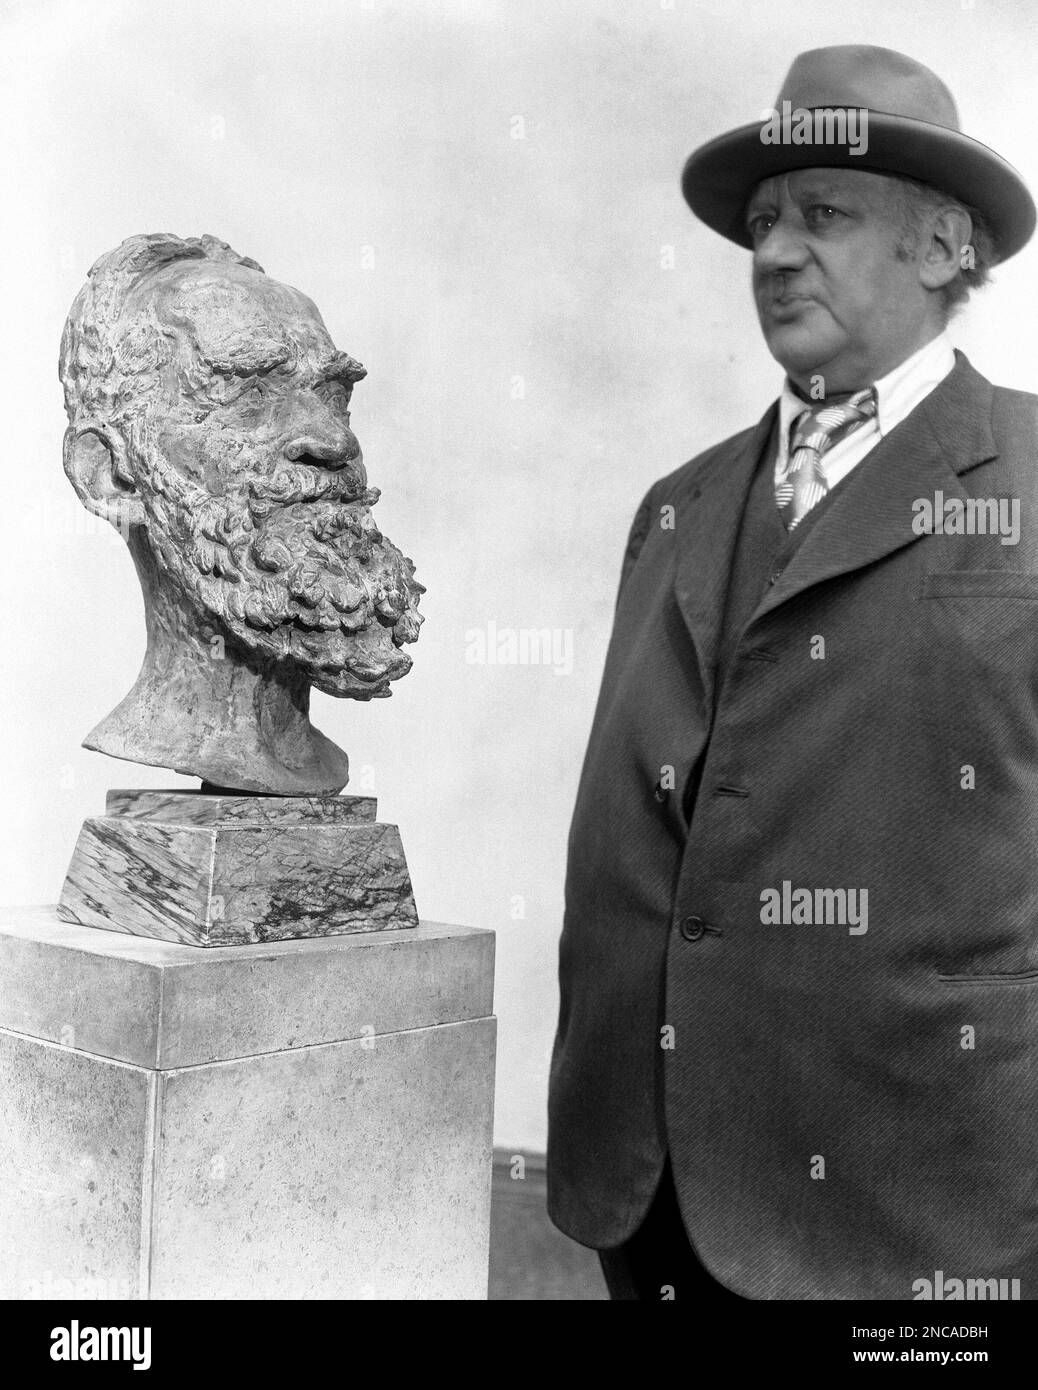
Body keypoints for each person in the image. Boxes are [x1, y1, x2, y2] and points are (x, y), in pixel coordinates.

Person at [547, 44, 1038, 1300]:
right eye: (764, 223)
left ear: (944, 248)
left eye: (824, 214)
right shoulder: (679, 505)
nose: (773, 253)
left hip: (915, 1211)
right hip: (652, 1196)